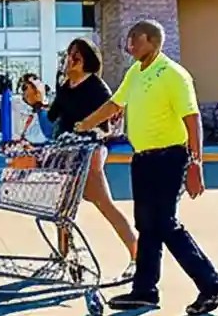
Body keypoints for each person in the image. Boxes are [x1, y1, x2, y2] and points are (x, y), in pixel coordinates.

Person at [76, 19, 218, 316]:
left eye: (135, 37)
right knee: (146, 225)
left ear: (151, 40)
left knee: (165, 224)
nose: (129, 42)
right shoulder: (135, 72)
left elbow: (192, 118)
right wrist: (85, 124)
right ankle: (145, 291)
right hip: (143, 158)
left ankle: (212, 285)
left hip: (170, 157)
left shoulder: (173, 74)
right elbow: (114, 104)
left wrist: (197, 163)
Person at [22, 38, 139, 281]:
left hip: (88, 156)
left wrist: (90, 137)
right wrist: (38, 102)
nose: (69, 59)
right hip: (66, 155)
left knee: (105, 205)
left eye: (74, 55)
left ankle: (138, 257)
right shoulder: (66, 87)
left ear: (85, 59)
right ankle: (64, 258)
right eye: (68, 54)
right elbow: (51, 121)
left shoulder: (97, 87)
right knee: (62, 210)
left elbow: (108, 126)